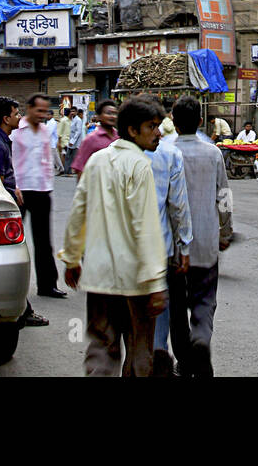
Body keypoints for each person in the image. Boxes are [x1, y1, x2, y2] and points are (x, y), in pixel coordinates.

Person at [61, 96, 168, 377]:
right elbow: (145, 227)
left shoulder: (96, 161)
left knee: (100, 351)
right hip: (135, 282)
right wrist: (156, 280)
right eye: (152, 126)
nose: (158, 133)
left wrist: (72, 258)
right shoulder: (139, 165)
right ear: (133, 130)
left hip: (98, 278)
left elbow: (77, 213)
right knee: (138, 351)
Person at [164, 96, 232, 376]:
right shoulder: (213, 153)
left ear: (173, 121)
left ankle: (184, 359)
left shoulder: (164, 152)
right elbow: (224, 197)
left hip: (174, 248)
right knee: (204, 301)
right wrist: (225, 231)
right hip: (206, 244)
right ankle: (201, 339)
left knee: (177, 308)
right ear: (201, 122)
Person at [0, 99, 47, 329]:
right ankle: (20, 310)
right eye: (16, 113)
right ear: (5, 118)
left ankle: (22, 309)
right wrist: (13, 190)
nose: (19, 117)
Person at [148, 114, 192, 372]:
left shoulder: (105, 158)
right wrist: (183, 245)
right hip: (159, 251)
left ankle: (146, 358)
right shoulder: (169, 154)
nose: (157, 133)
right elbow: (178, 207)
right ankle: (157, 356)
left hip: (124, 256)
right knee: (159, 312)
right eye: (152, 127)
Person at [12, 93, 67, 299]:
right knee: (15, 240)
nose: (42, 115)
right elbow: (11, 159)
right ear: (29, 108)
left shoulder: (44, 131)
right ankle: (13, 288)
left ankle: (47, 285)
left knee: (44, 240)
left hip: (42, 190)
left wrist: (48, 184)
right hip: (21, 190)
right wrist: (13, 186)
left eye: (45, 111)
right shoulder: (17, 131)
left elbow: (46, 160)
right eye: (39, 110)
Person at [73, 100, 119, 174]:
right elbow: (80, 169)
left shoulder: (119, 138)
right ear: (99, 117)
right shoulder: (91, 139)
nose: (112, 116)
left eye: (115, 113)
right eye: (108, 113)